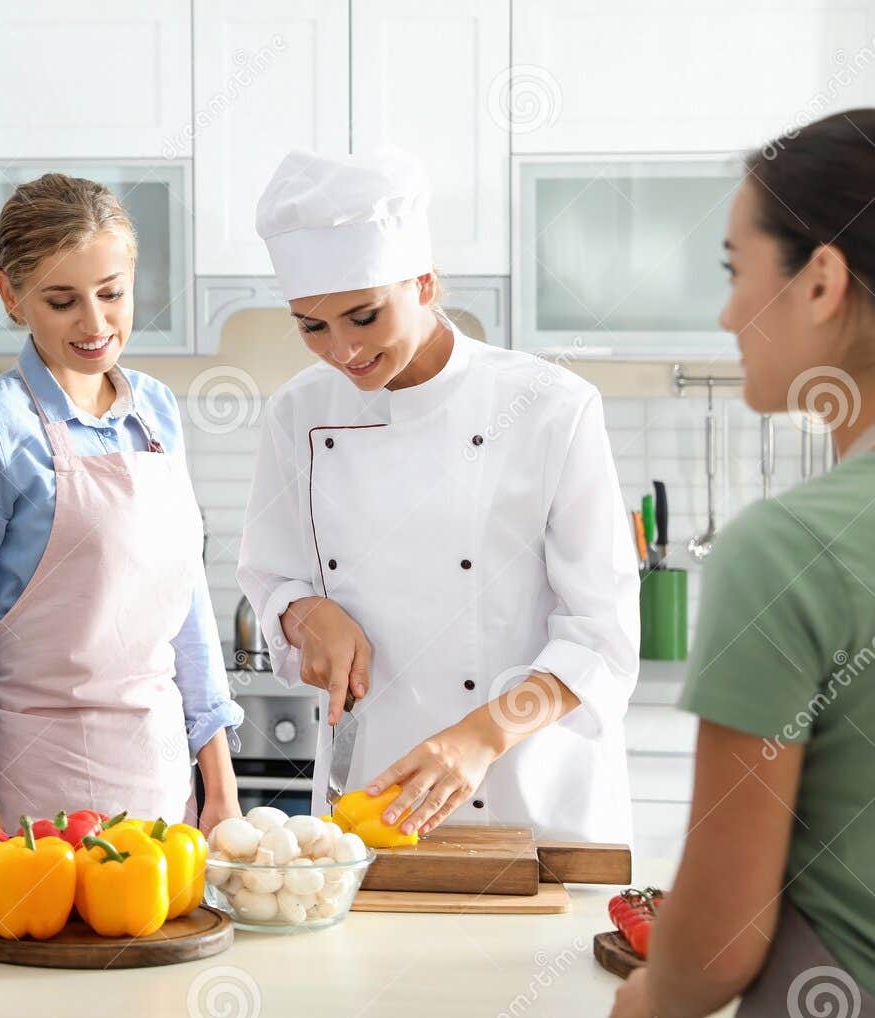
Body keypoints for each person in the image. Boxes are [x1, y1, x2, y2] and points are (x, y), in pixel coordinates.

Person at [238, 148, 639, 842]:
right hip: (373, 796)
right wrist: (306, 617)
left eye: (363, 317)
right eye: (312, 325)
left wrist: (480, 738)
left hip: (530, 798)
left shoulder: (551, 407)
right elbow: (274, 580)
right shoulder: (296, 413)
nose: (342, 350)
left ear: (424, 284)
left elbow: (599, 640)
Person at [602, 112, 875, 1018]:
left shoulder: (790, 548)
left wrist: (657, 997)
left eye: (733, 269)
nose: (726, 313)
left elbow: (719, 937)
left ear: (823, 281)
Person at [0, 174, 242, 833]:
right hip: (36, 798)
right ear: (11, 296)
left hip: (164, 786)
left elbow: (189, 610)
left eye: (112, 294)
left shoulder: (156, 411)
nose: (95, 324)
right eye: (62, 301)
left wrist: (220, 791)